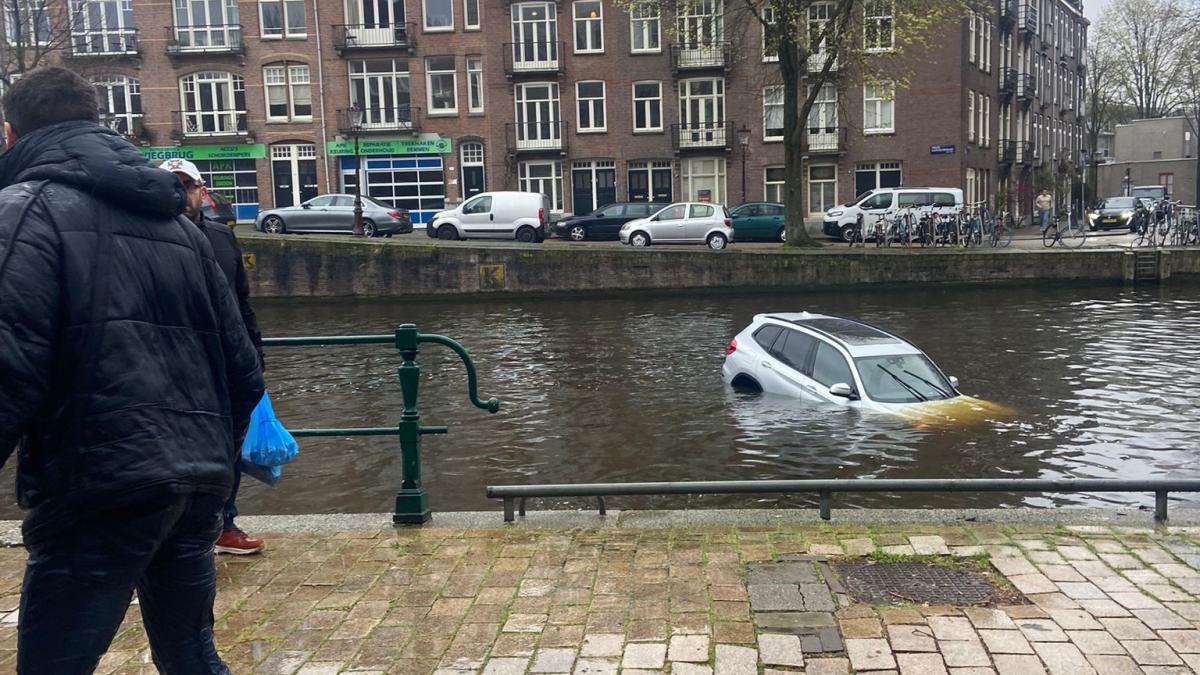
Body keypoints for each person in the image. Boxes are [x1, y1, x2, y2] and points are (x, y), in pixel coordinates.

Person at [0, 67, 264, 673]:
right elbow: (243, 367)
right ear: (98, 124)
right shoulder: (182, 227)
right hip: (195, 480)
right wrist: (213, 466)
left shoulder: (23, 212)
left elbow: (9, 369)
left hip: (99, 482)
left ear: (11, 134)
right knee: (192, 655)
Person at [160, 158, 266, 556]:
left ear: (202, 191)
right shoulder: (144, 238)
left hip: (223, 364)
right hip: (172, 368)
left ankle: (224, 522)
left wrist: (255, 357)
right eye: (173, 184)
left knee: (229, 449)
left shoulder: (222, 238)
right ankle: (176, 528)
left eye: (188, 185)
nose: (182, 193)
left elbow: (242, 304)